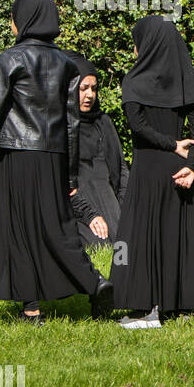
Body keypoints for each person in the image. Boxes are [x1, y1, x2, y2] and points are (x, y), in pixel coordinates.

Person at [0, 0, 114, 324]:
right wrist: (69, 177)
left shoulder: (11, 59)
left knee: (18, 231)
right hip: (54, 158)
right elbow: (71, 126)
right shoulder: (68, 65)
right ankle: (96, 283)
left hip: (17, 156)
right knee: (59, 228)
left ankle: (31, 310)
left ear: (24, 19)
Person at [110, 17, 194, 328]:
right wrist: (192, 166)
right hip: (179, 171)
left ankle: (143, 308)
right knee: (175, 234)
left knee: (141, 236)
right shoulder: (185, 83)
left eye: (137, 43)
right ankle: (181, 304)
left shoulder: (134, 83)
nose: (136, 50)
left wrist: (170, 144)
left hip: (149, 167)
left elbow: (138, 127)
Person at [65, 52, 128, 248]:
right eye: (83, 88)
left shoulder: (103, 122)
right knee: (96, 243)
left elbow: (121, 168)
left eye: (94, 88)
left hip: (108, 199)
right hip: (78, 202)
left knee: (123, 244)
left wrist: (127, 210)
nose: (89, 95)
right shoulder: (61, 125)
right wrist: (88, 214)